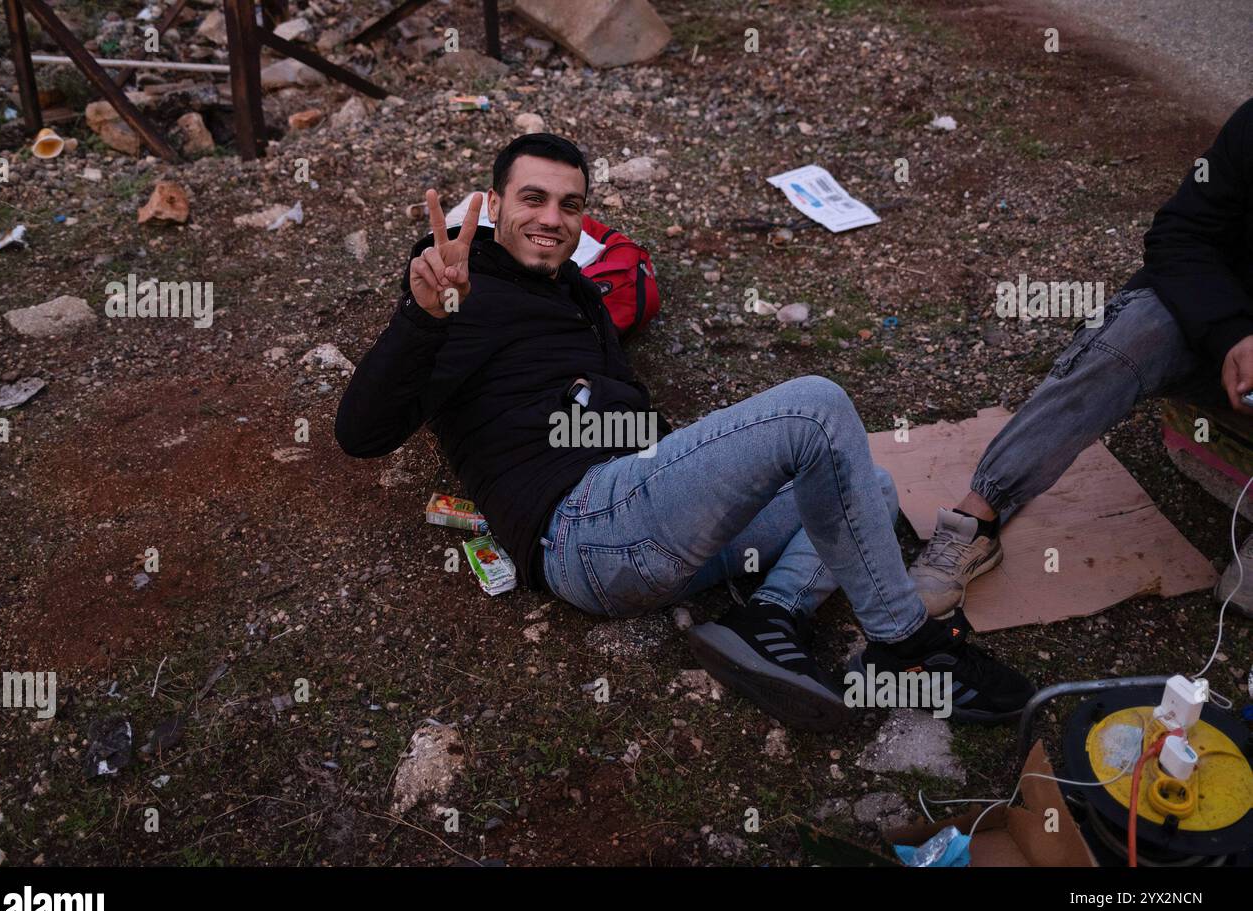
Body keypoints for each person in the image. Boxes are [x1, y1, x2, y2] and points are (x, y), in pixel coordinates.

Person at [335, 133, 1034, 730]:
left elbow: (626, 419)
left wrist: (703, 466)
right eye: (533, 199)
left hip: (647, 522)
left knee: (867, 490)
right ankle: (905, 644)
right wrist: (425, 314)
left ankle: (769, 621)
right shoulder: (464, 292)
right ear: (493, 207)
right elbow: (361, 433)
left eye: (569, 205)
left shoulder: (575, 295)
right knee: (814, 406)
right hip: (581, 529)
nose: (552, 218)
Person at [908, 98, 1253, 616]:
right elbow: (1180, 235)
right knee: (1132, 331)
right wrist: (1233, 334)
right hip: (1224, 332)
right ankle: (975, 521)